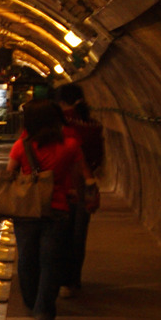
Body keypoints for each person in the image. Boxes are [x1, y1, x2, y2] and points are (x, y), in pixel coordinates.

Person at [6, 99, 83, 320]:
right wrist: (72, 192)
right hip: (56, 210)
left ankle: (31, 302)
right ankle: (45, 309)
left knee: (27, 258)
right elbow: (76, 176)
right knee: (51, 260)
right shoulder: (70, 145)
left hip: (26, 211)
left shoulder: (21, 146)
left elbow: (9, 174)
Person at [56, 84, 104, 297]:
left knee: (60, 234)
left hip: (62, 185)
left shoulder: (63, 125)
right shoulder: (93, 124)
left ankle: (60, 278)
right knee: (78, 234)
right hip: (84, 185)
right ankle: (73, 279)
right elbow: (98, 158)